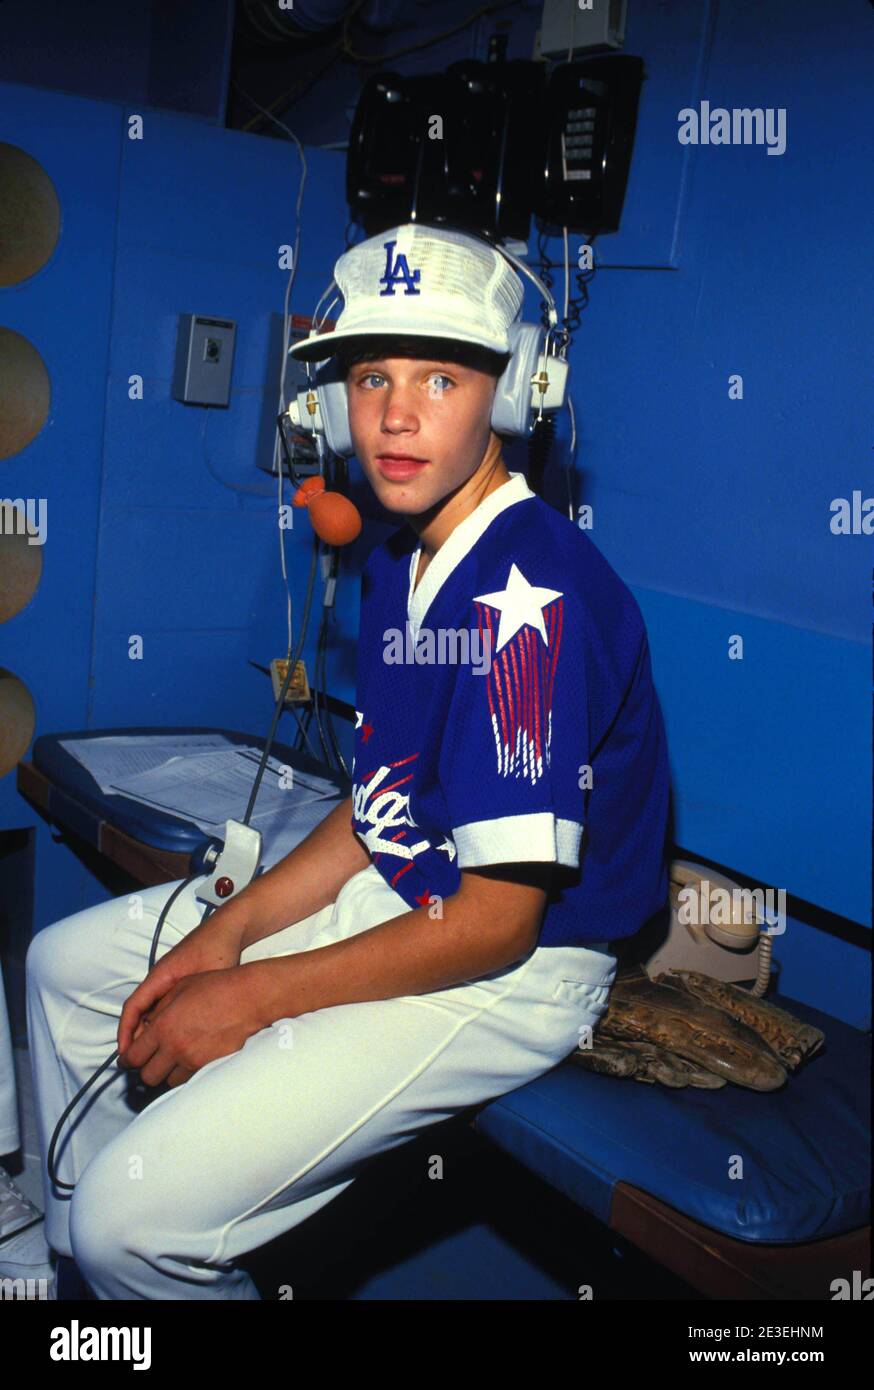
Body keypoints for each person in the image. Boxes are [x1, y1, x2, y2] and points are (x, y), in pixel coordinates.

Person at [26, 222, 669, 1300]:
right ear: (333, 399)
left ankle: (113, 1249)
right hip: (412, 893)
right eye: (371, 376)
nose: (398, 414)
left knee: (133, 1225)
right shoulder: (396, 555)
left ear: (511, 398)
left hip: (515, 963)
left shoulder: (531, 606)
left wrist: (254, 994)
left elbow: (497, 920)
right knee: (61, 971)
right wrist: (225, 931)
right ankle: (71, 1270)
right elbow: (383, 805)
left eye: (443, 375)